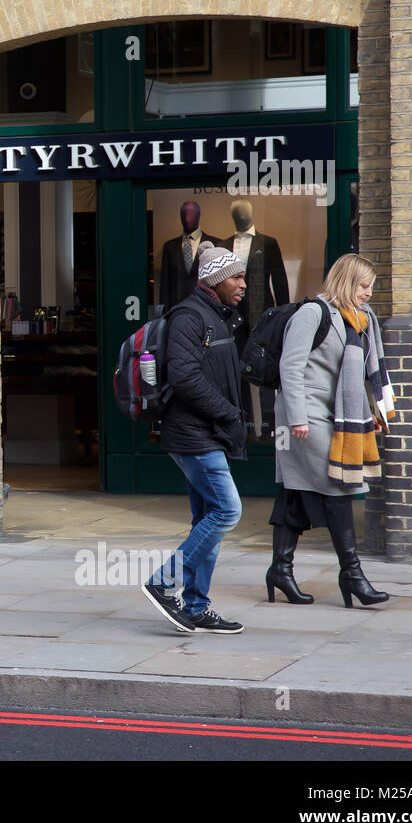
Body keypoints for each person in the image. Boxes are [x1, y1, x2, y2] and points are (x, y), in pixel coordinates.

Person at [266, 253, 394, 608]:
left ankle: (280, 569)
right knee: (338, 485)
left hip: (337, 414)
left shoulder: (360, 319)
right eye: (363, 286)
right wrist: (297, 418)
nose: (369, 293)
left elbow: (363, 372)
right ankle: (352, 575)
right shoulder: (312, 314)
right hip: (306, 415)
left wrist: (374, 407)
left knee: (296, 490)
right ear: (345, 281)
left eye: (371, 287)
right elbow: (289, 367)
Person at [140, 243, 248, 634]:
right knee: (228, 510)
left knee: (207, 518)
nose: (243, 284)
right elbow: (185, 379)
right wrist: (227, 411)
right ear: (216, 280)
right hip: (194, 435)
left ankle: (197, 606)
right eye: (236, 276)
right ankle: (163, 581)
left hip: (209, 432)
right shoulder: (190, 316)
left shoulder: (217, 316)